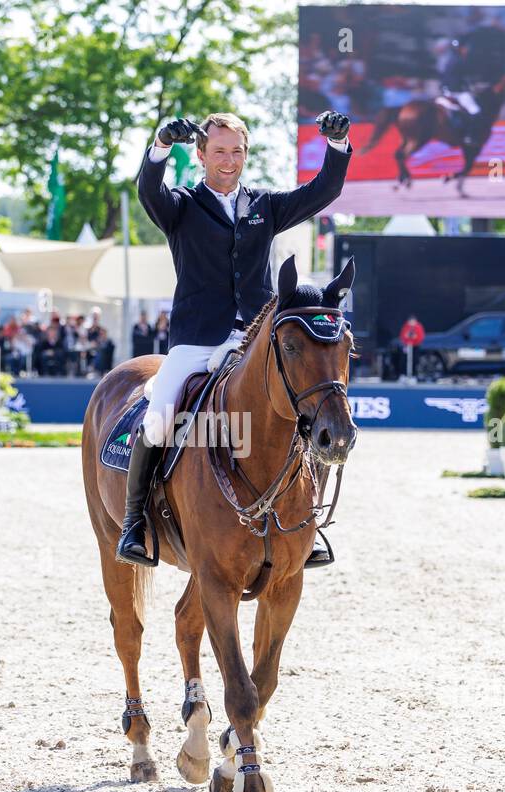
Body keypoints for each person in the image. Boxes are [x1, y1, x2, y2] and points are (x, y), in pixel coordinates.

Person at [117, 109, 352, 569]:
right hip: (197, 341)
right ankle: (135, 522)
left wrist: (338, 145)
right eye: (219, 151)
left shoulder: (264, 205)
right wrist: (162, 144)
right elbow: (148, 189)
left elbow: (324, 190)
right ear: (202, 154)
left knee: (307, 411)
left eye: (237, 151)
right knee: (160, 417)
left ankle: (310, 526)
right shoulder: (181, 206)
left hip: (253, 341)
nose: (229, 160)